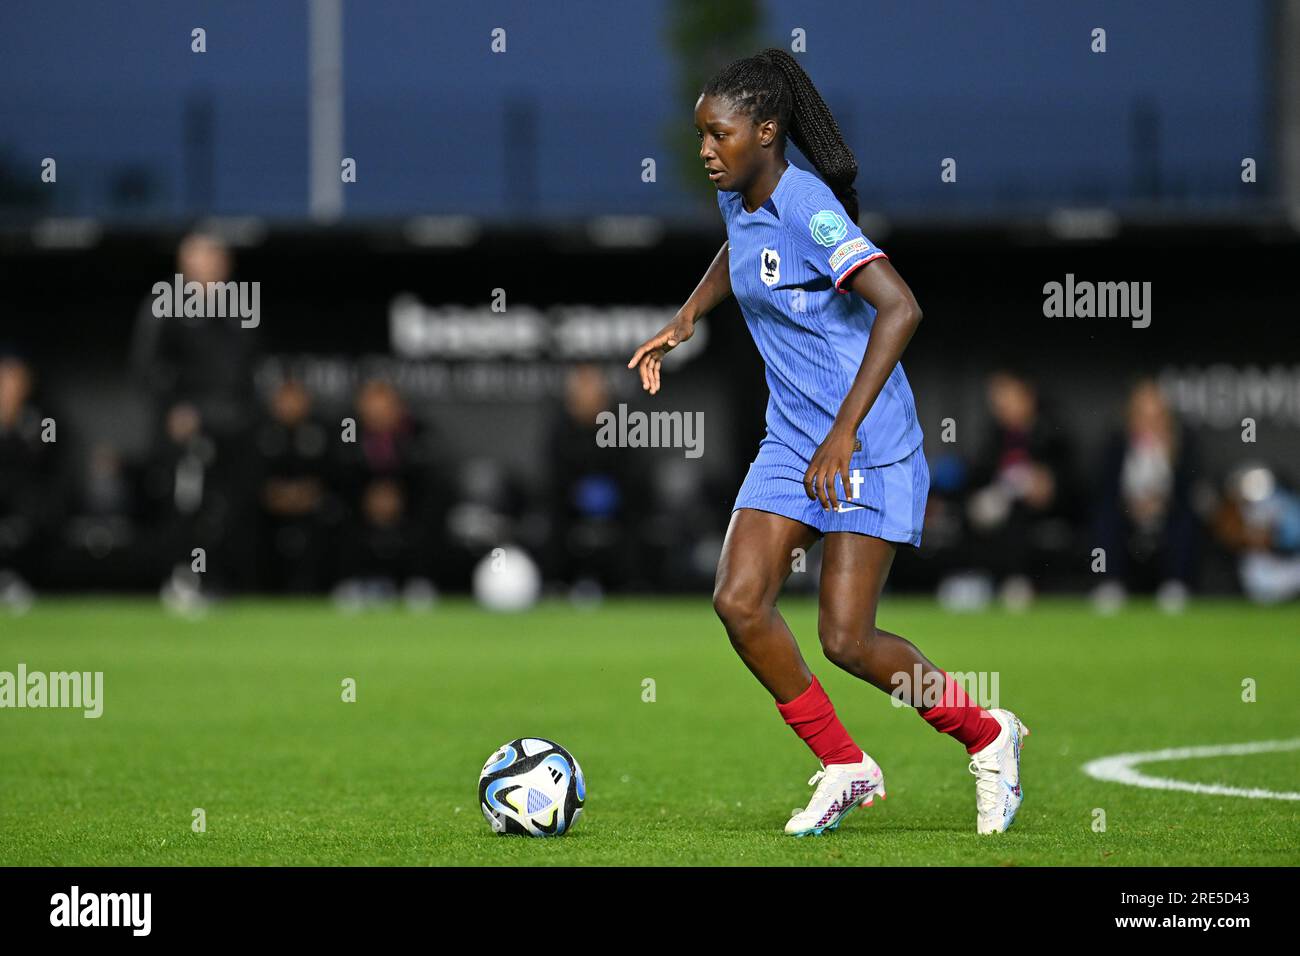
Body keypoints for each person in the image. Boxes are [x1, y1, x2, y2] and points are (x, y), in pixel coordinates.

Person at [628, 49, 1028, 837]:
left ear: (766, 132)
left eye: (719, 134)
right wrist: (688, 317)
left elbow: (901, 308)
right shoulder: (739, 195)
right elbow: (738, 255)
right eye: (701, 134)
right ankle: (845, 764)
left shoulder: (809, 206)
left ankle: (989, 737)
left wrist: (843, 432)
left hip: (865, 441)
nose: (704, 149)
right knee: (739, 602)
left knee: (847, 639)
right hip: (793, 440)